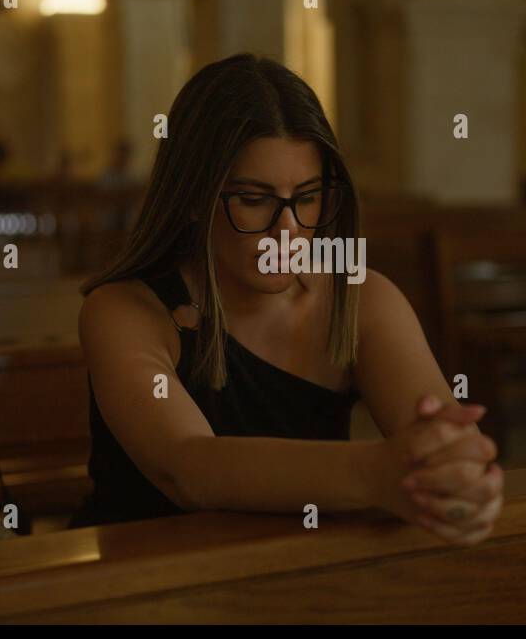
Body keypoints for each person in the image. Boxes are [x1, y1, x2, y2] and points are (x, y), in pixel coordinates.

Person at [71, 53, 503, 546]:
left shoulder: (361, 299)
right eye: (254, 200)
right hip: (139, 589)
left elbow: (439, 452)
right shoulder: (124, 310)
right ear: (194, 198)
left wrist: (457, 475)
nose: (289, 231)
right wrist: (376, 472)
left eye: (307, 198)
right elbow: (188, 468)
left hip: (294, 576)